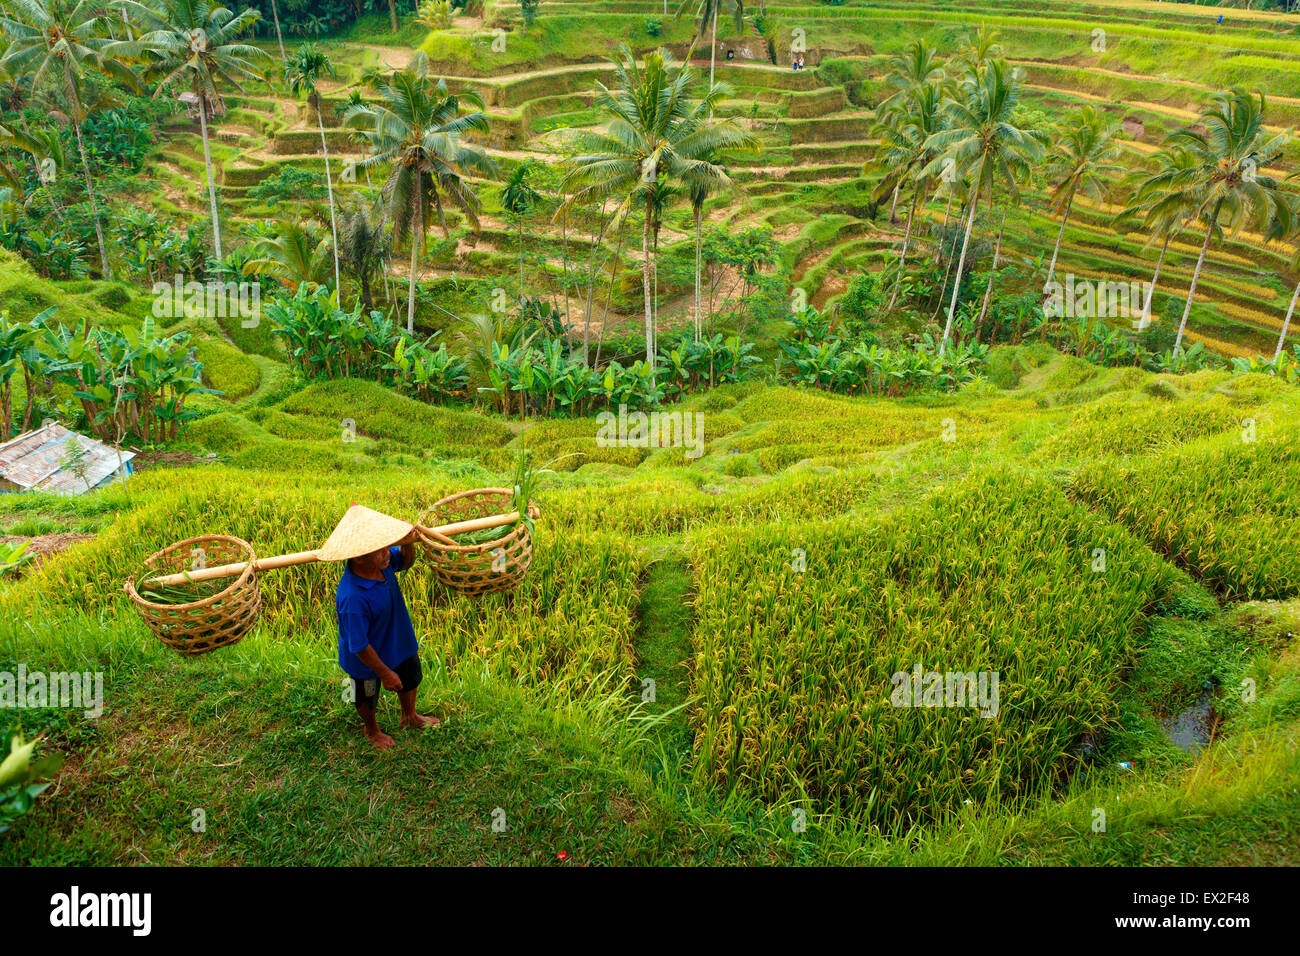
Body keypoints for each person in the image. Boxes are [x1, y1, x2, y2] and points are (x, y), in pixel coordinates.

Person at [335, 522, 439, 750]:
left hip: (397, 641)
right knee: (366, 695)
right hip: (366, 660)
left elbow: (405, 560)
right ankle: (371, 730)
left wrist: (408, 544)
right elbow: (359, 645)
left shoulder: (381, 562)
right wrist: (384, 673)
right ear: (359, 558)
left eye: (386, 547)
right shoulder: (352, 597)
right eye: (381, 550)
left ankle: (409, 716)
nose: (387, 553)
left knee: (411, 677)